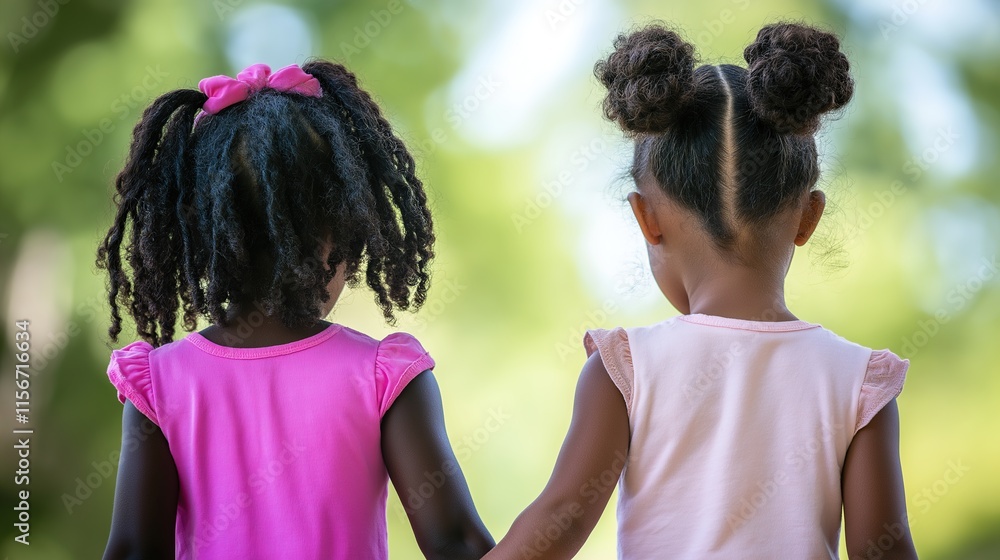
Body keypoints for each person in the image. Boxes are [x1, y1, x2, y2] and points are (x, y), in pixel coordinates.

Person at [485, 23, 917, 559]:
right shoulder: (860, 382)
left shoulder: (625, 368)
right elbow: (884, 551)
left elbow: (559, 520)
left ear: (646, 217)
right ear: (808, 218)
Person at [98, 61, 494, 559]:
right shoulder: (384, 376)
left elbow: (134, 551)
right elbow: (456, 543)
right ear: (349, 224)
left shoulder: (159, 384)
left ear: (199, 235)